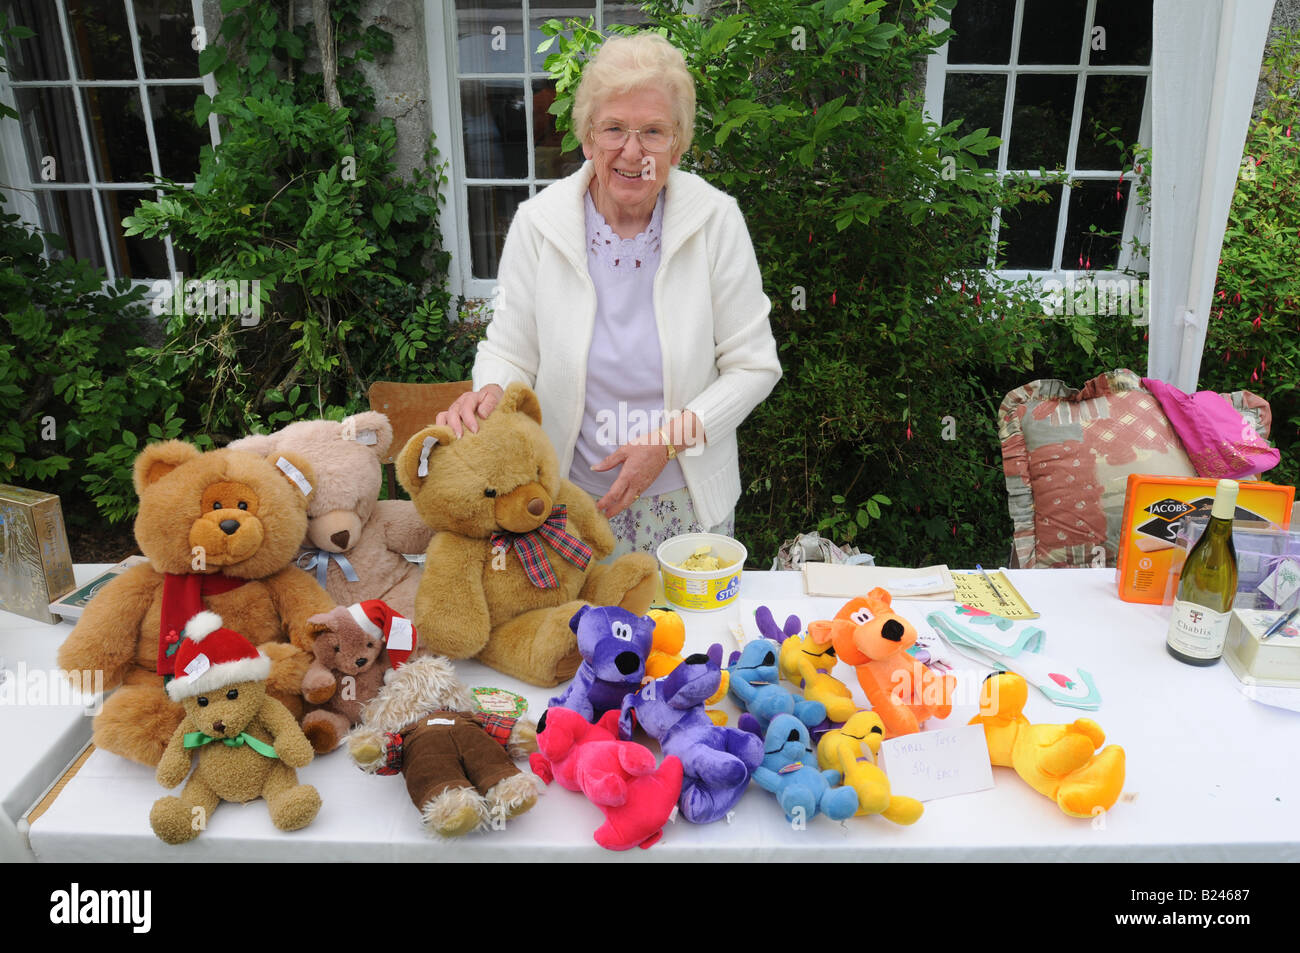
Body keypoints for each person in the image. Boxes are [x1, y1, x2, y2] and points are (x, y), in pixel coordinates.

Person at [438, 32, 781, 558]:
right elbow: (508, 350)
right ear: (588, 137)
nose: (632, 151)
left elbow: (754, 366)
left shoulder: (716, 221)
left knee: (683, 639)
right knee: (573, 638)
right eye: (614, 129)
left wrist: (667, 442)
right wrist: (492, 394)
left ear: (679, 142)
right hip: (560, 500)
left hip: (685, 500)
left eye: (653, 131)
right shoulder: (539, 224)